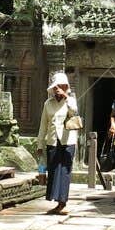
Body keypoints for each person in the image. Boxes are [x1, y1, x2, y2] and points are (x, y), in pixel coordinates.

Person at [34, 72, 81, 215]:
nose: (58, 90)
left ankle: (63, 202)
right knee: (54, 171)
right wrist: (40, 144)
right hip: (53, 141)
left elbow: (74, 111)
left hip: (68, 141)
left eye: (60, 87)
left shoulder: (70, 100)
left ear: (65, 87)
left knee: (65, 171)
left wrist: (66, 96)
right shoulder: (48, 104)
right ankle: (56, 200)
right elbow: (43, 125)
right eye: (56, 87)